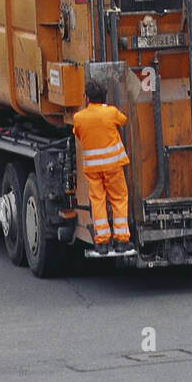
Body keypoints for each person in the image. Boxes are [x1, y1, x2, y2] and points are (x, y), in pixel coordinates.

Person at [72, 80, 135, 256]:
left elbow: (77, 134)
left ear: (87, 98)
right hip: (113, 166)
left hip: (92, 169)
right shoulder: (111, 112)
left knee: (98, 201)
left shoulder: (79, 117)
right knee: (119, 198)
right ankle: (122, 240)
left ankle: (102, 243)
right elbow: (123, 120)